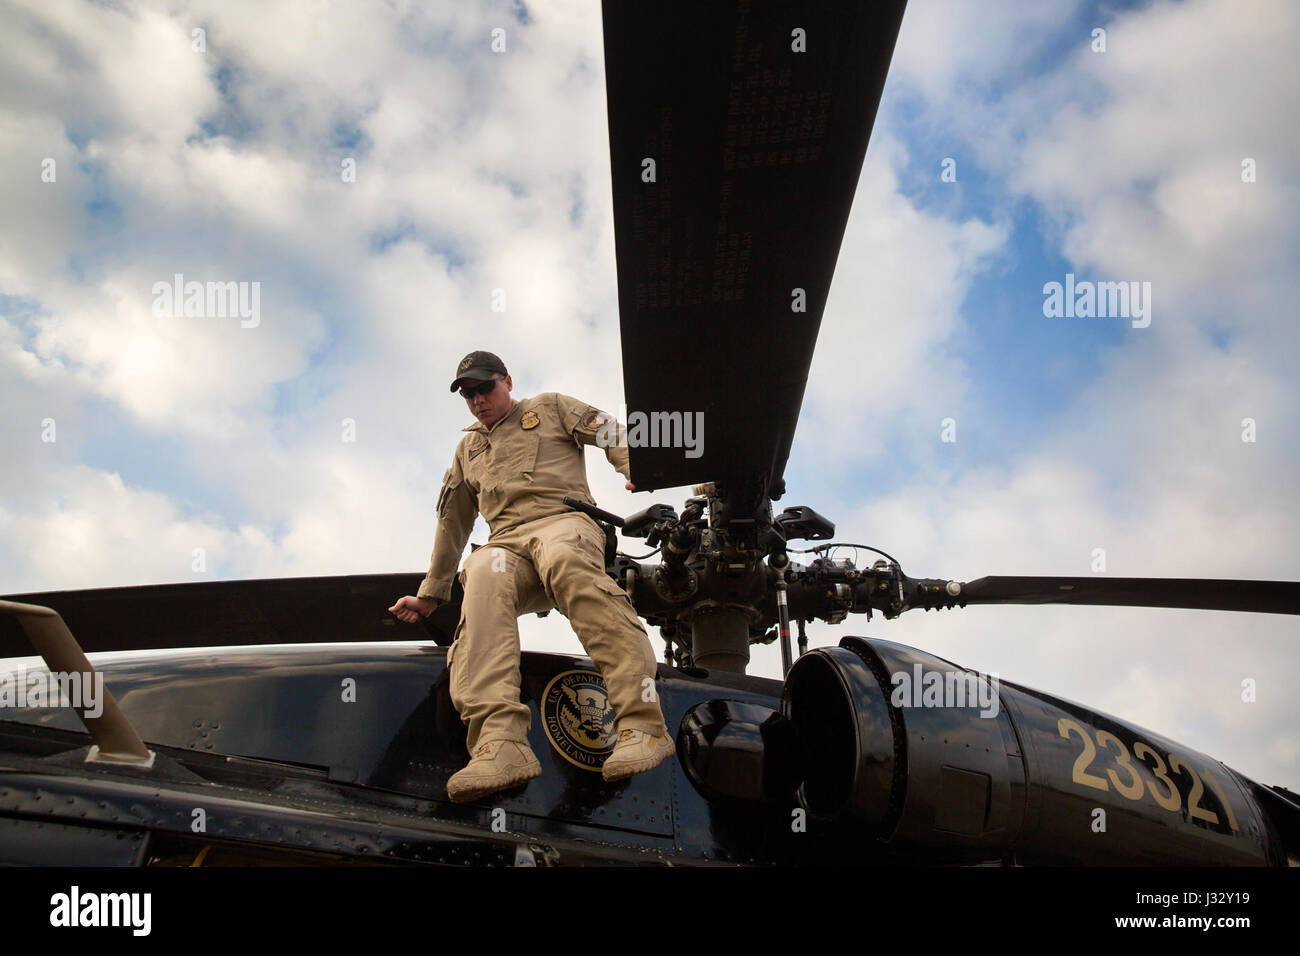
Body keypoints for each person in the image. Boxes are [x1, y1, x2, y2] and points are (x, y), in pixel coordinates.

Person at [388, 350, 674, 802]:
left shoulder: (549, 408)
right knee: (480, 575)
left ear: (507, 382)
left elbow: (609, 429)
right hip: (507, 543)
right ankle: (500, 743)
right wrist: (432, 593)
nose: (478, 399)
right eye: (469, 394)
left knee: (563, 558)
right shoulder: (468, 450)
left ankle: (642, 725)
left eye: (485, 388)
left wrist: (636, 466)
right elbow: (452, 523)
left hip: (563, 521)